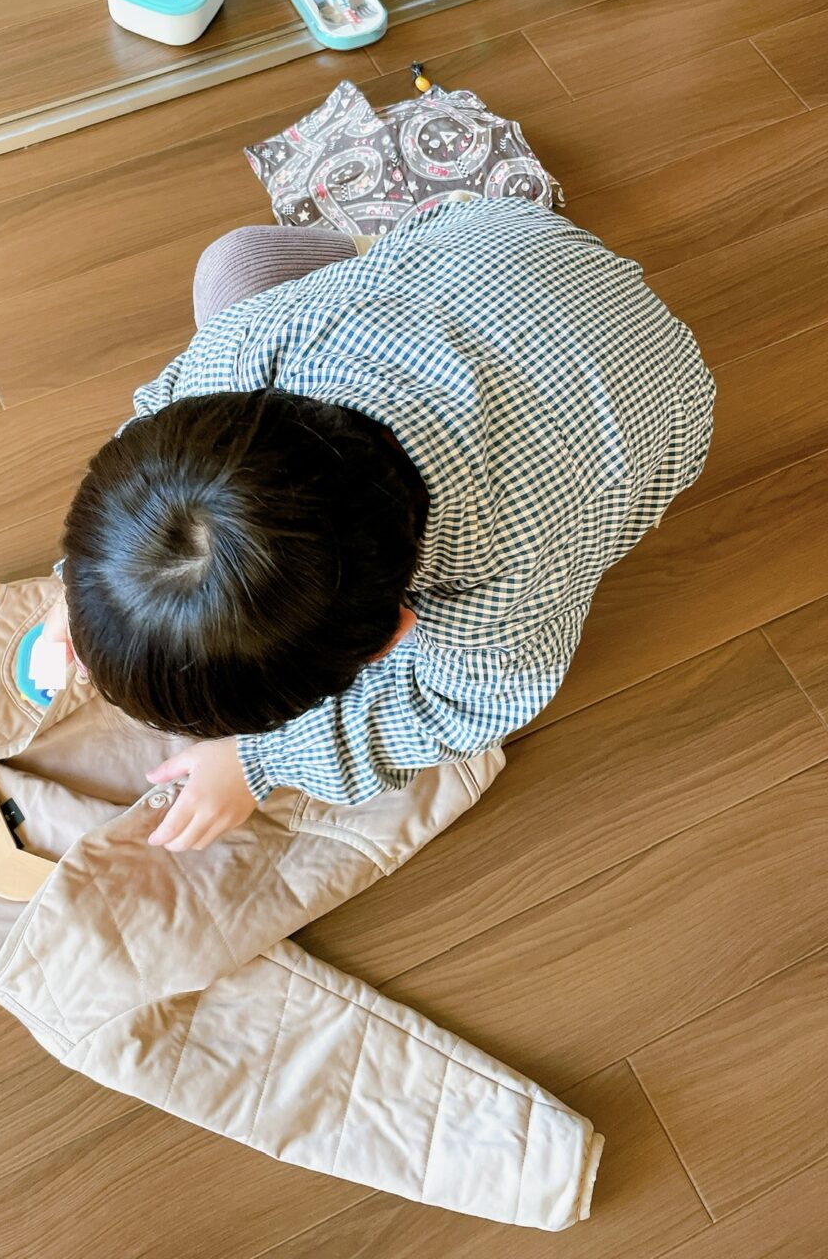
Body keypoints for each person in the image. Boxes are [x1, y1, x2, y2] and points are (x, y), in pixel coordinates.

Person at [48, 198, 714, 853]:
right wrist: (86, 584)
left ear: (392, 637)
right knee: (233, 263)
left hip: (659, 392)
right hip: (496, 243)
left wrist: (260, 761)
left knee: (438, 695)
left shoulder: (506, 577)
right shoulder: (246, 353)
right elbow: (154, 423)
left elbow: (462, 707)